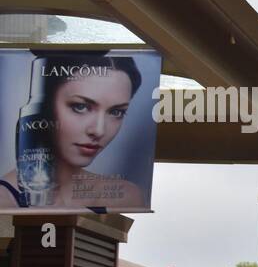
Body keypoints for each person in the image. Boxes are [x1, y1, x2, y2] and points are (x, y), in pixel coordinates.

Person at [0, 54, 149, 210]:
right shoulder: (4, 201)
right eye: (80, 106)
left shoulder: (123, 197)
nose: (99, 131)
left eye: (116, 112)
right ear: (46, 105)